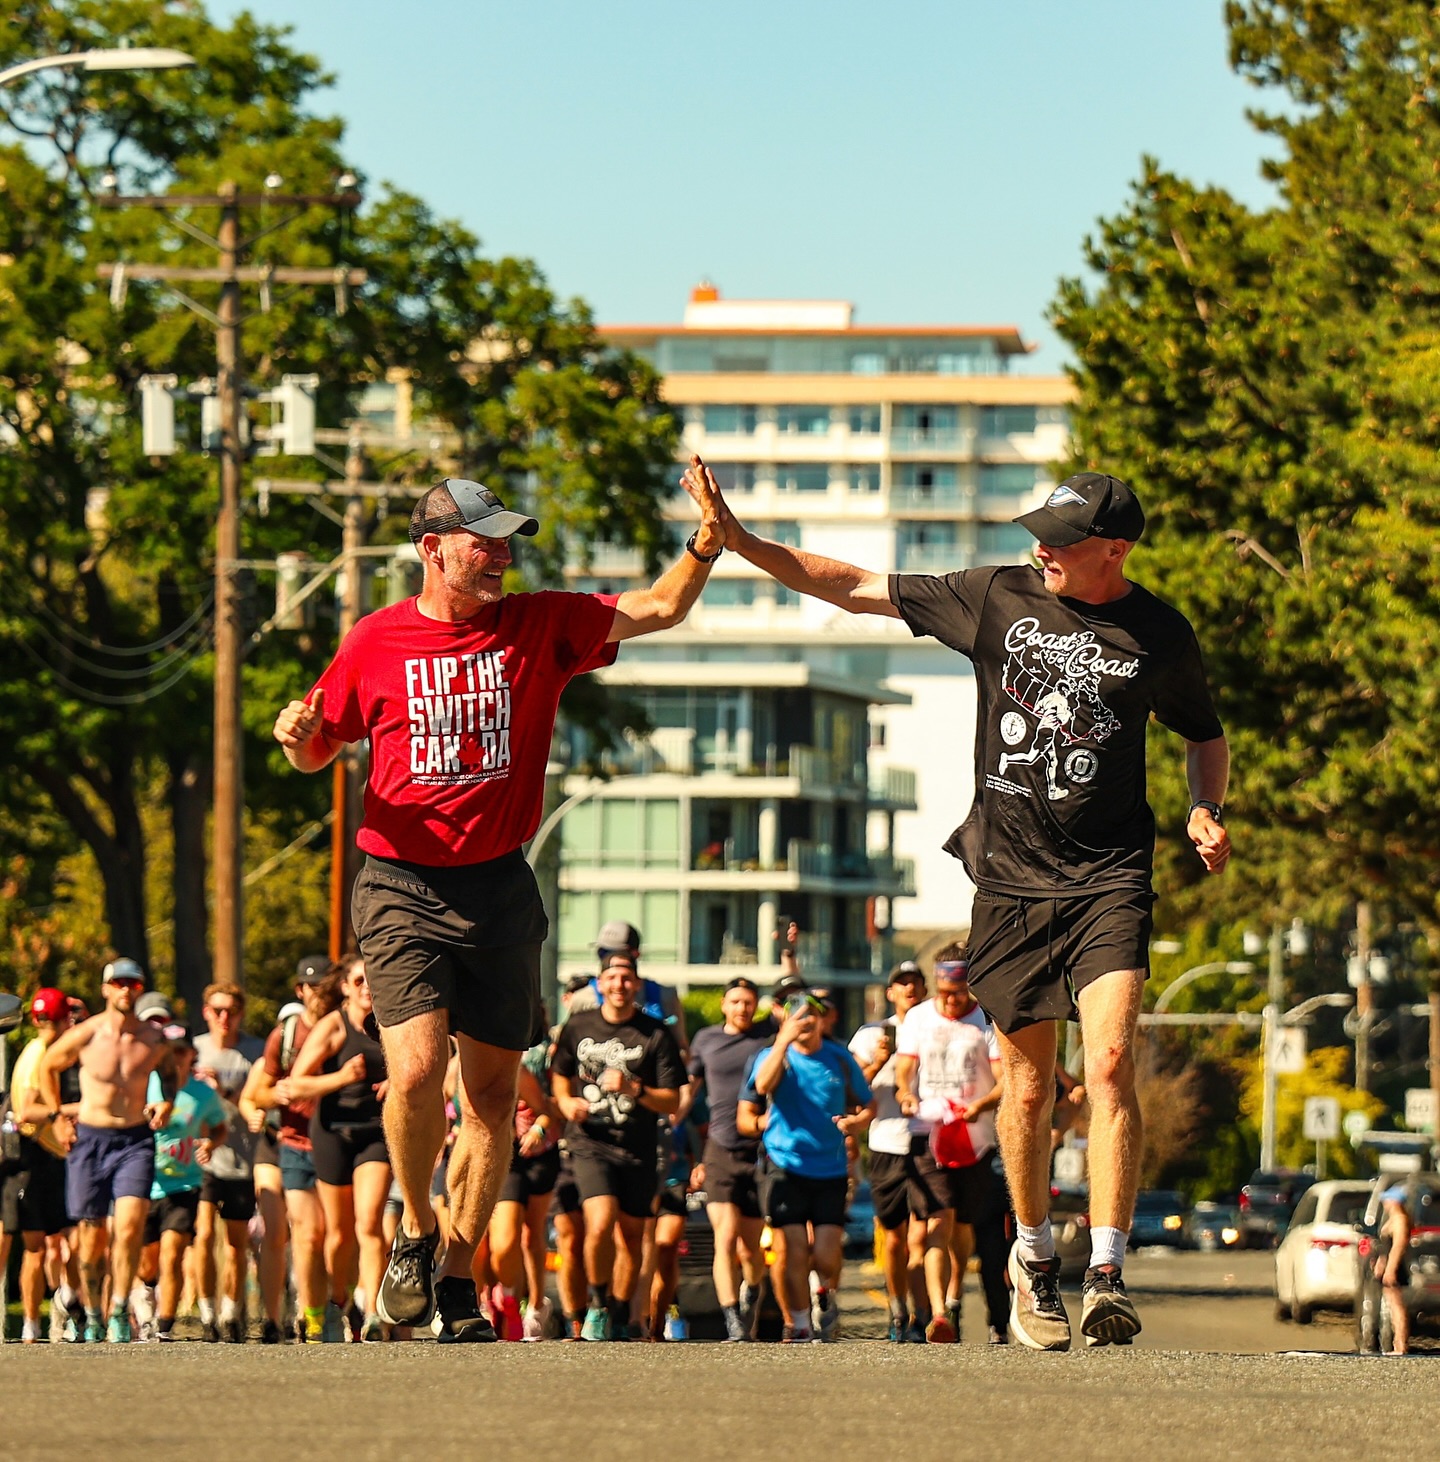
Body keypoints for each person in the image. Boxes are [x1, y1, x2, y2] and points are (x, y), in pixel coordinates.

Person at [709, 467, 1231, 1350]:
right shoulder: (995, 596)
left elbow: (1203, 736)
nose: (1040, 549)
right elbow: (854, 585)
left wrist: (1204, 808)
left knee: (1106, 1064)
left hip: (1109, 876)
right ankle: (1033, 1261)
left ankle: (1105, 1271)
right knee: (1026, 1082)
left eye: (1058, 540)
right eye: (1037, 533)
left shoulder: (1160, 634)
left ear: (1114, 550)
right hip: (1011, 881)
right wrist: (744, 542)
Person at [271, 464, 727, 1343]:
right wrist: (299, 735)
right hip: (400, 880)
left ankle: (452, 1273)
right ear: (431, 549)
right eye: (484, 544)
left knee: (488, 1101)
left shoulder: (542, 626)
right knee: (413, 1069)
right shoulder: (375, 640)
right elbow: (318, 746)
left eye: (507, 544)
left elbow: (661, 608)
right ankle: (413, 1228)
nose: (500, 559)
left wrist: (706, 539)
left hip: (500, 887)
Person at [38, 959, 175, 1343]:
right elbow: (48, 1066)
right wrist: (57, 1118)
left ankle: (119, 1308)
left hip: (134, 1140)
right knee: (91, 1234)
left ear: (141, 988)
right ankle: (93, 1311)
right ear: (105, 989)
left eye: (132, 984)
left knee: (130, 1226)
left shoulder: (152, 1037)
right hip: (92, 1139)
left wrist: (167, 1101)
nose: (125, 991)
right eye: (118, 984)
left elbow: (170, 1072)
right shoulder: (88, 1033)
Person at [551, 954, 686, 1340]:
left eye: (626, 978)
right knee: (600, 1219)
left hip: (638, 1146)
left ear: (637, 984)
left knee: (631, 1235)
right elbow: (559, 1076)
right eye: (612, 978)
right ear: (600, 983)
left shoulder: (654, 1033)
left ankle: (623, 1311)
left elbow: (672, 1101)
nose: (619, 985)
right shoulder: (578, 1026)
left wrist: (635, 1089)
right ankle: (596, 1304)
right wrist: (564, 1103)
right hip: (590, 1141)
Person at [738, 993, 875, 1343]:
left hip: (830, 1168)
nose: (804, 1022)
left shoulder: (838, 1057)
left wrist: (856, 1124)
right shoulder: (771, 1057)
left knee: (827, 1256)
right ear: (785, 1021)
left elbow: (868, 1105)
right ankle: (799, 1323)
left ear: (821, 1020)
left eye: (810, 1015)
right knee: (792, 1249)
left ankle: (823, 1292)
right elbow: (763, 1086)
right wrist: (783, 1041)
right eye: (796, 1016)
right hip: (784, 1165)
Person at [894, 948, 1008, 1345]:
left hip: (976, 1141)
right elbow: (905, 1069)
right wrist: (905, 1095)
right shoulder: (918, 1019)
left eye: (957, 992)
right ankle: (938, 1313)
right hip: (930, 1135)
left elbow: (1002, 1078)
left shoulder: (987, 1021)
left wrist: (981, 1105)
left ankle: (955, 1296)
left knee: (964, 1229)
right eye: (943, 991)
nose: (949, 999)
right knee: (937, 1225)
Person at [285, 957, 391, 1342]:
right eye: (360, 980)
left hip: (376, 1134)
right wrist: (342, 1078)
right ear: (345, 987)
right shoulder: (333, 1026)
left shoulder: (390, 1024)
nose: (367, 986)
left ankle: (375, 1313)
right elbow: (295, 1085)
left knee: (369, 1223)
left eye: (373, 979)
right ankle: (336, 1304)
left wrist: (397, 1083)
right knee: (340, 1234)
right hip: (332, 1133)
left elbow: (422, 1067)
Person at [240, 955, 340, 1343]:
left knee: (330, 1235)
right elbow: (254, 1095)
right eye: (313, 988)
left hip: (331, 1142)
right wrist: (270, 1100)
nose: (320, 995)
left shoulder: (344, 1028)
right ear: (301, 991)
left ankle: (326, 1305)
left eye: (326, 986)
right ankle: (274, 1316)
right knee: (284, 1231)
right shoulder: (285, 1035)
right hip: (281, 1141)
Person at [849, 961, 929, 1343]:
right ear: (890, 992)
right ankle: (898, 1308)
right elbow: (850, 1093)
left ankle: (927, 1314)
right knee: (894, 1239)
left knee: (922, 1237)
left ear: (925, 990)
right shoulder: (870, 1035)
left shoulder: (935, 1029)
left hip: (929, 1141)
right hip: (886, 1144)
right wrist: (880, 1060)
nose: (909, 989)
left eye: (915, 983)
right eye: (902, 984)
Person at [688, 976, 771, 1342]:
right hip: (719, 1149)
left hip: (759, 1151)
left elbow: (797, 998)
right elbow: (686, 1097)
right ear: (724, 1004)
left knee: (751, 1249)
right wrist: (687, 1150)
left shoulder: (767, 1038)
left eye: (749, 1002)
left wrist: (789, 954)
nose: (742, 1008)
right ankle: (731, 1319)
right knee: (726, 1236)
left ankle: (750, 1293)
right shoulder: (705, 1039)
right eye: (735, 1001)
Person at [134, 1025, 227, 1341]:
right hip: (146, 1183)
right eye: (170, 1051)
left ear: (191, 1055)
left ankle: (164, 1325)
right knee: (147, 1262)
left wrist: (210, 1144)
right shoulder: (147, 1084)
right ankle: (146, 1294)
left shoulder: (202, 1093)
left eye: (182, 1051)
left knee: (172, 1253)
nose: (176, 1057)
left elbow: (219, 1126)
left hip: (184, 1185)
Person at [5, 988, 83, 1344]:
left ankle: (63, 1305)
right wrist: (71, 1111)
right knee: (37, 1246)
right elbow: (26, 1114)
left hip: (53, 1157)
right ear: (65, 1018)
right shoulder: (40, 1056)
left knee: (68, 1239)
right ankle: (33, 1324)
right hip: (36, 1159)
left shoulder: (39, 1050)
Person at [191, 980, 265, 1343]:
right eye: (217, 1010)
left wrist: (226, 1093)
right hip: (201, 1160)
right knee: (202, 1234)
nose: (225, 1018)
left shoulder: (253, 1052)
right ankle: (206, 1312)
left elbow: (260, 1101)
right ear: (206, 1013)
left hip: (243, 1160)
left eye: (232, 1011)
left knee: (236, 1242)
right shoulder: (193, 1050)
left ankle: (230, 1313)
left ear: (241, 1014)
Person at [486, 1036, 561, 1341]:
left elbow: (547, 1108)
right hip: (503, 1156)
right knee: (503, 1240)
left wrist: (538, 1130)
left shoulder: (525, 1067)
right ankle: (502, 1295)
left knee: (532, 1232)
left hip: (537, 1152)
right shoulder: (457, 1067)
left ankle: (534, 1304)